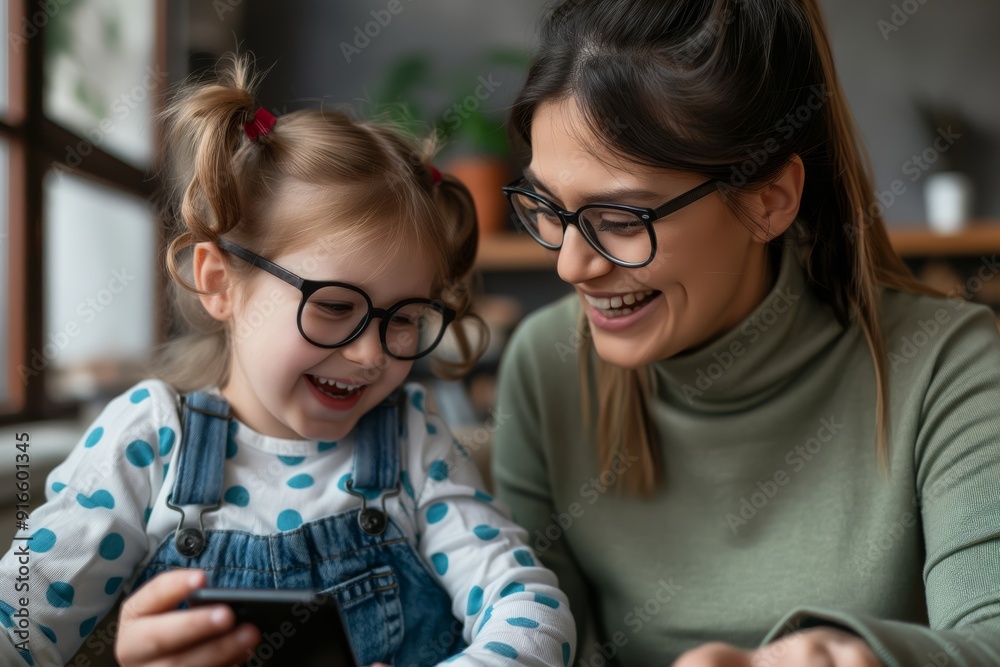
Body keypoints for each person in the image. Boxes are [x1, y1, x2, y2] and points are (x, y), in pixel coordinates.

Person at [0, 55, 575, 667]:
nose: (370, 352)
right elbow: (19, 626)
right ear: (219, 283)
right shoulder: (147, 440)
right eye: (332, 305)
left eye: (404, 319)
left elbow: (533, 612)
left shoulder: (412, 440)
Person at [492, 0, 1000, 665]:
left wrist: (849, 657)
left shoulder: (946, 365)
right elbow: (528, 643)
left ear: (768, 200)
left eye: (619, 218)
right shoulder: (545, 367)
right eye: (550, 208)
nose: (569, 264)